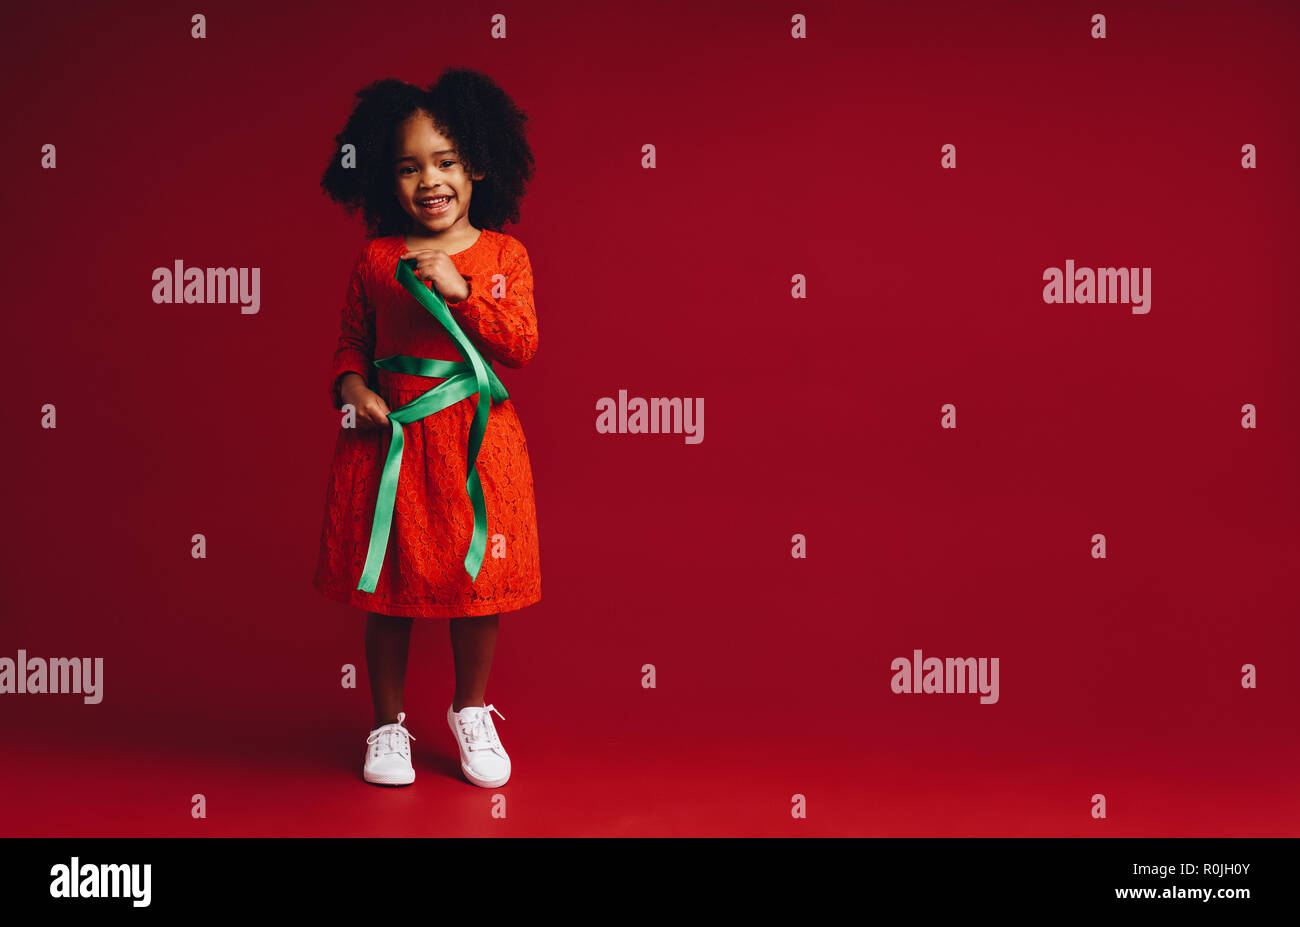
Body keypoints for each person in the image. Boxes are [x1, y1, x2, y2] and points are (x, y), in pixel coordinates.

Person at [313, 69, 541, 789]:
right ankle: (387, 724)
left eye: (445, 162)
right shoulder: (376, 258)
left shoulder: (505, 256)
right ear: (387, 178)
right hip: (394, 450)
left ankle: (469, 709)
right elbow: (351, 342)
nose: (429, 181)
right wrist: (353, 387)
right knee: (394, 591)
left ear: (477, 163)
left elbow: (523, 341)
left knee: (479, 587)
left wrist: (463, 290)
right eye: (409, 167)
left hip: (477, 449)